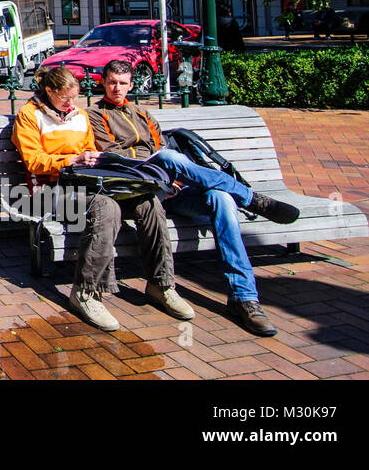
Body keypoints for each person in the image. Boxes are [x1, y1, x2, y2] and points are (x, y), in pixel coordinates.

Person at [88, 59, 299, 337]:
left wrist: (172, 175)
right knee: (170, 157)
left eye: (123, 83)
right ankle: (250, 198)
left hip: (173, 189)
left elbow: (160, 145)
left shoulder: (143, 114)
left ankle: (244, 298)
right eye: (112, 82)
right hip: (141, 188)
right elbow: (112, 154)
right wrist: (164, 169)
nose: (117, 88)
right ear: (103, 82)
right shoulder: (93, 114)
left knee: (221, 198)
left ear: (131, 85)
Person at [13, 65, 192, 332]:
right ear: (49, 91)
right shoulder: (29, 115)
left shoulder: (79, 115)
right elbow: (33, 161)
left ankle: (161, 284)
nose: (70, 104)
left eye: (74, 98)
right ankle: (86, 293)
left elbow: (91, 148)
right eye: (65, 98)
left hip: (89, 182)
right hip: (51, 189)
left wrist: (97, 159)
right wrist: (72, 160)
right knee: (106, 208)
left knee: (148, 202)